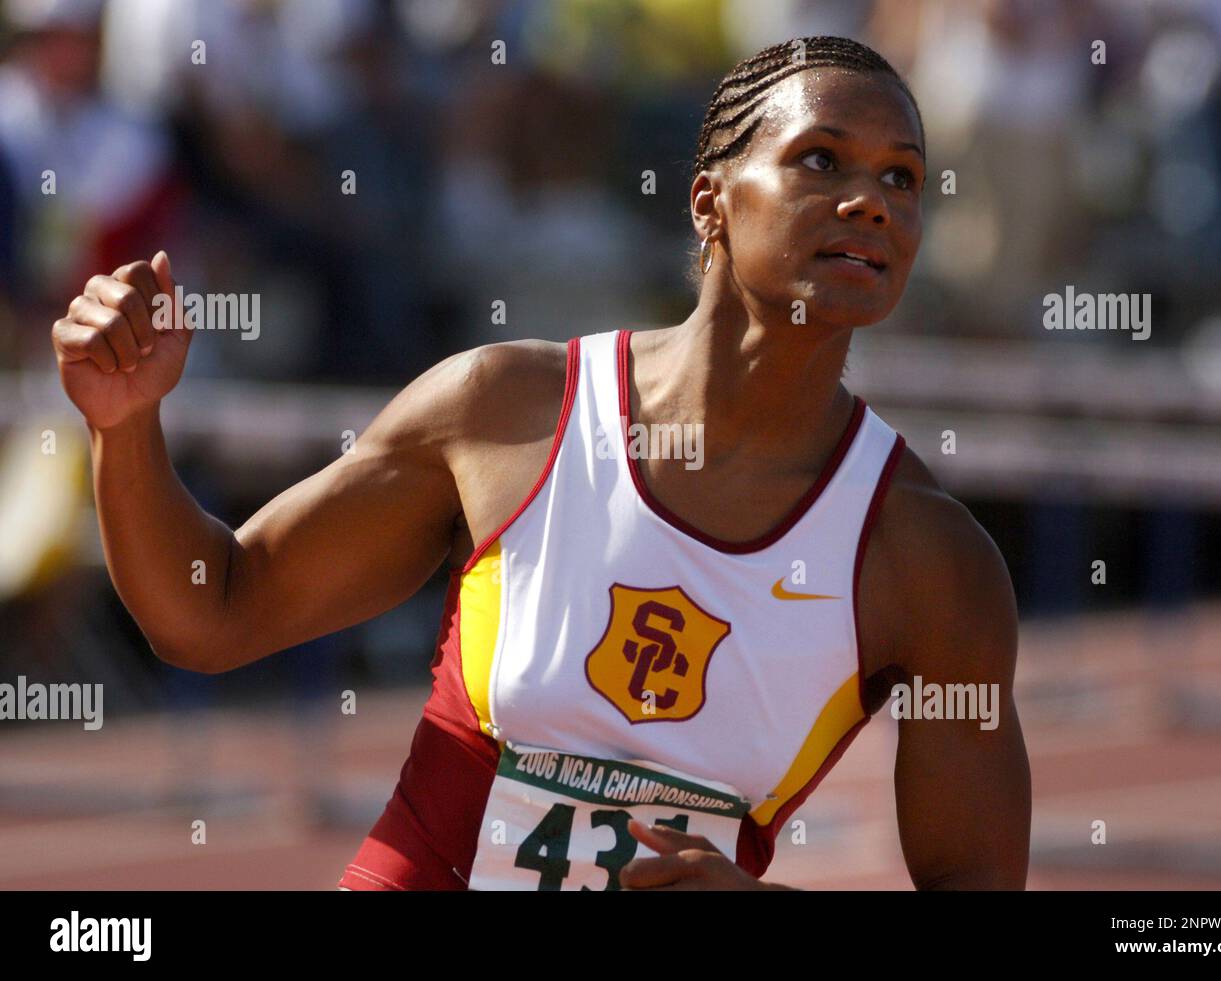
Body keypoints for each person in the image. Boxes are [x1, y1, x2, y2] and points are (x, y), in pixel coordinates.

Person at [51, 36, 1030, 890]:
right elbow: (211, 613)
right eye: (821, 160)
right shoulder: (504, 412)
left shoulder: (927, 559)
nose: (869, 202)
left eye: (901, 177)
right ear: (711, 203)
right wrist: (126, 427)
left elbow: (977, 877)